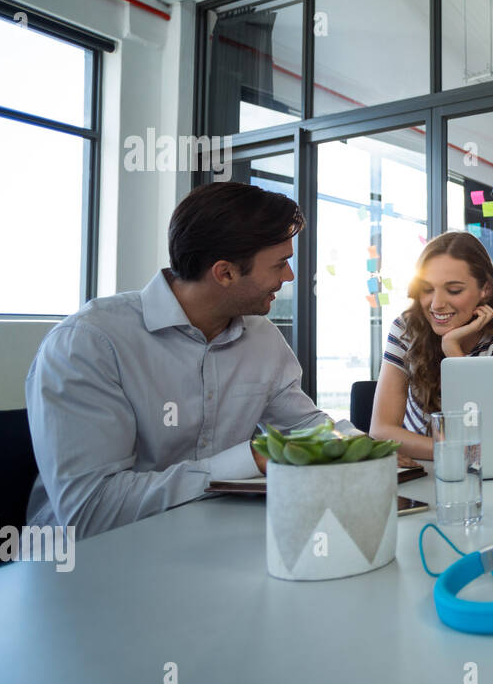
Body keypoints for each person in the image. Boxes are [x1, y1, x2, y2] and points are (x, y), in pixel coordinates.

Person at [24, 182, 331, 539]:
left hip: (212, 543)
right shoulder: (89, 344)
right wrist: (245, 461)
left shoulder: (262, 338)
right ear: (225, 273)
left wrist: (370, 451)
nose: (288, 276)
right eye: (280, 264)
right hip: (87, 568)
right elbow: (92, 512)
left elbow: (308, 429)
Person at [371, 231, 493, 460]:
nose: (436, 304)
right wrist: (456, 452)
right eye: (427, 289)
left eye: (454, 290)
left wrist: (453, 351)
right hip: (423, 466)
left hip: (487, 470)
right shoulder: (406, 327)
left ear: (485, 289)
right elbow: (381, 430)